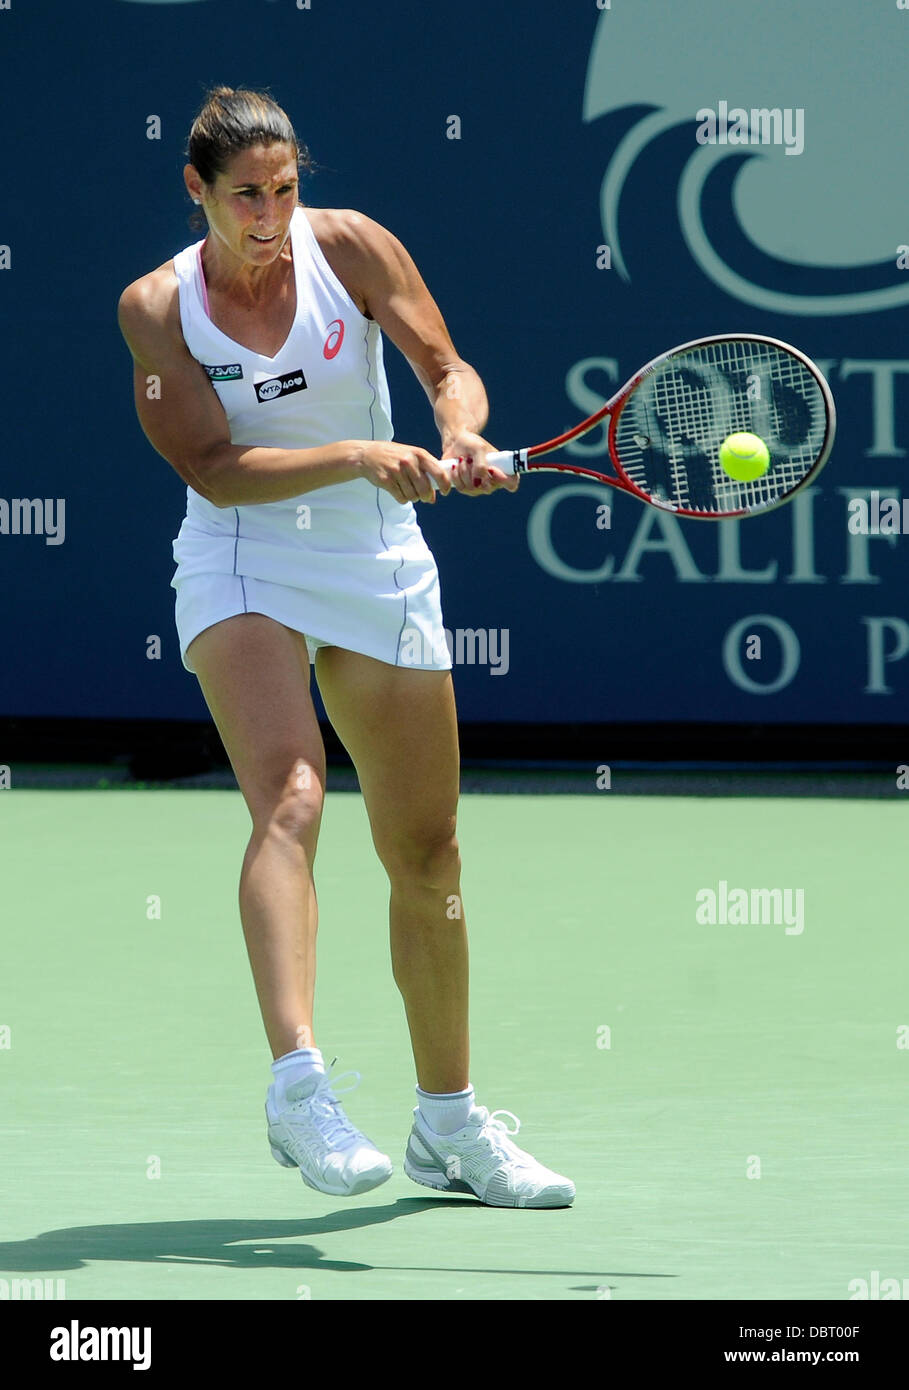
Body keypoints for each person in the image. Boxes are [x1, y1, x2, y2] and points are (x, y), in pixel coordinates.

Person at [117, 86, 574, 1209]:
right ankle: (299, 1087)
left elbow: (445, 364)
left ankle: (450, 1125)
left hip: (374, 559)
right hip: (241, 556)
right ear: (197, 191)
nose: (268, 215)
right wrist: (363, 452)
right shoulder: (158, 306)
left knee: (429, 853)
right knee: (293, 798)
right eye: (243, 197)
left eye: (283, 188)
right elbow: (214, 468)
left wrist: (457, 428)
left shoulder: (354, 247)